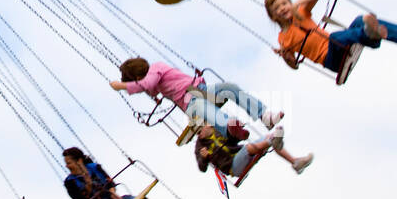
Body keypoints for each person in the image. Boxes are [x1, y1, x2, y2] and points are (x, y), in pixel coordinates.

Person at [265, 0, 397, 75]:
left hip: (338, 45)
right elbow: (294, 66)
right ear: (273, 16)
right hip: (331, 60)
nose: (282, 8)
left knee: (359, 20)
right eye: (277, 8)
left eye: (284, 3)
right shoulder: (283, 39)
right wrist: (287, 58)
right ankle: (369, 34)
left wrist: (296, 5)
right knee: (336, 36)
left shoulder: (299, 14)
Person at [109, 57, 286, 134]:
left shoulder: (156, 68)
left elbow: (147, 84)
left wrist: (121, 86)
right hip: (190, 101)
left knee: (228, 88)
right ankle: (231, 127)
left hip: (198, 90)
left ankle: (263, 115)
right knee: (202, 108)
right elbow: (148, 89)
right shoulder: (151, 84)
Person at [194, 120, 311, 180]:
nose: (200, 134)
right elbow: (201, 167)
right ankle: (271, 141)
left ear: (207, 125)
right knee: (249, 148)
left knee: (266, 137)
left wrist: (237, 131)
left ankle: (295, 162)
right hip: (232, 167)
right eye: (198, 132)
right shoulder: (200, 146)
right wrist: (204, 158)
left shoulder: (219, 131)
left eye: (201, 130)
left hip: (240, 155)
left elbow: (233, 141)